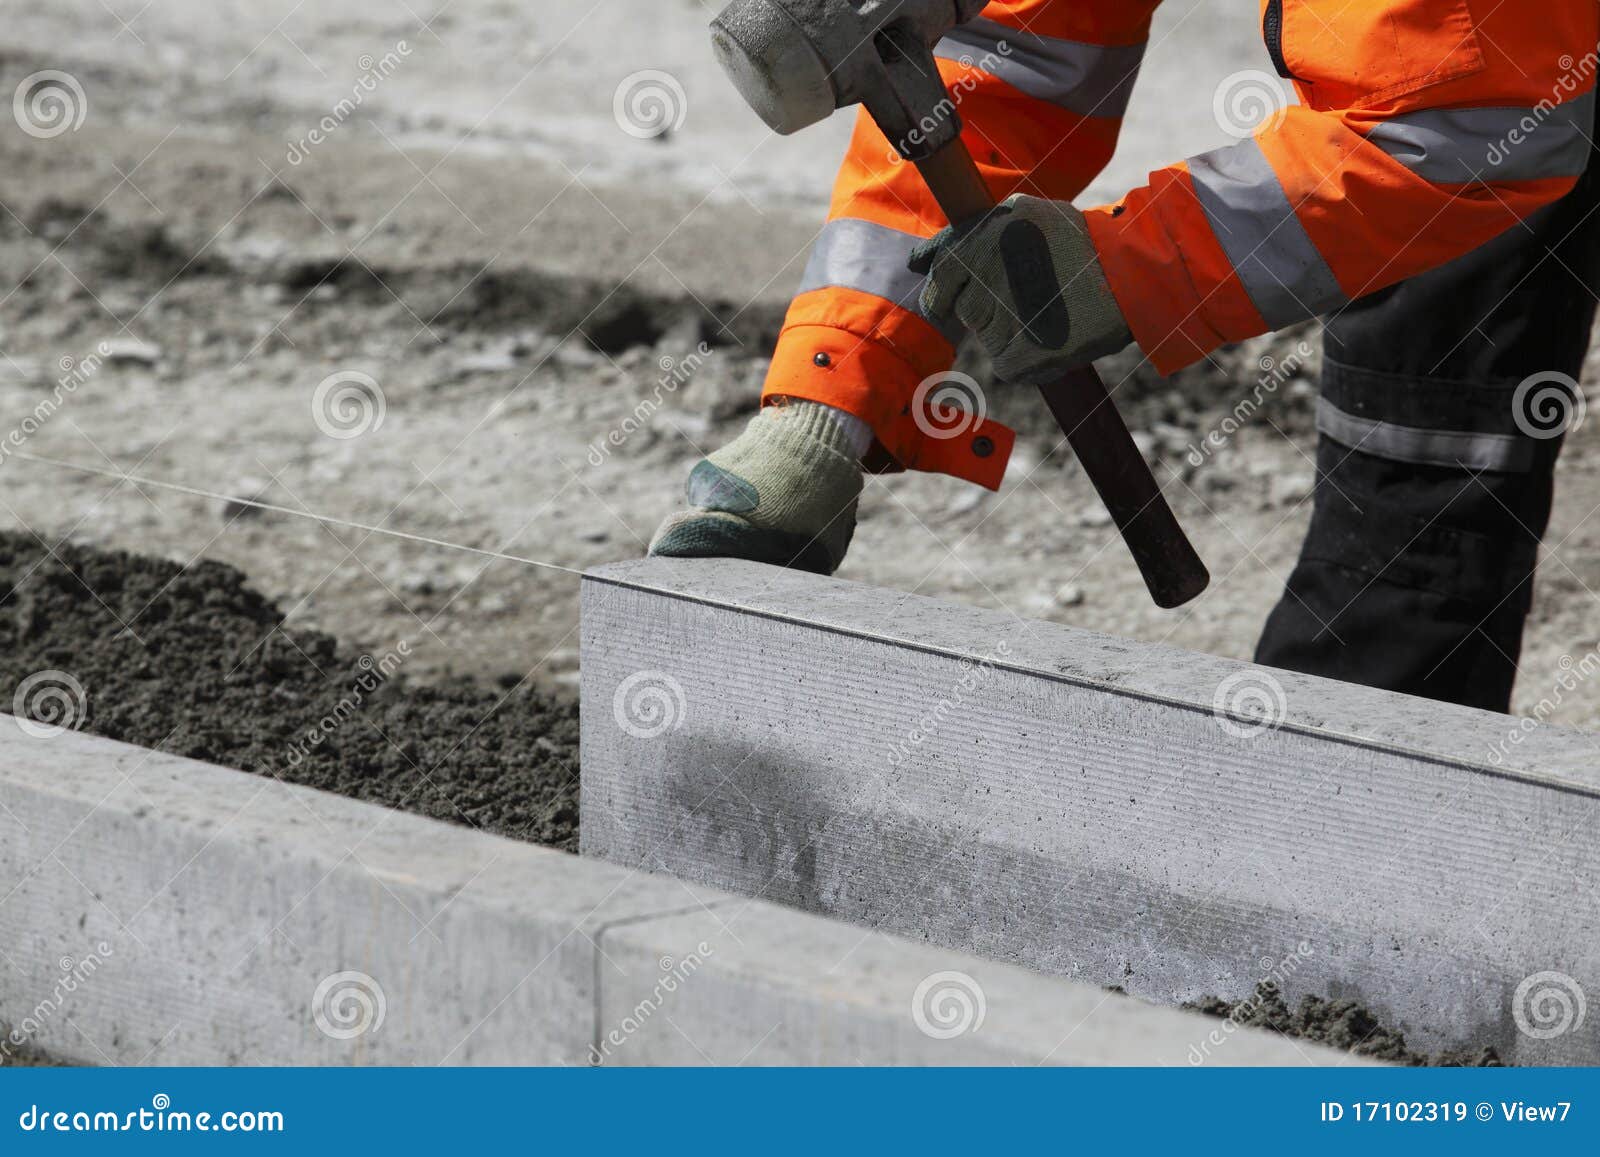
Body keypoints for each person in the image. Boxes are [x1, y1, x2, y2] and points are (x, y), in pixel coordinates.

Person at [651, 0, 1598, 712]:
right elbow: (1025, 53)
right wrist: (831, 398)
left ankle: (1352, 876)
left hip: (1500, 76)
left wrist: (1124, 269)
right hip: (1479, 74)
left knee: (1425, 456)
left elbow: (1465, 127)